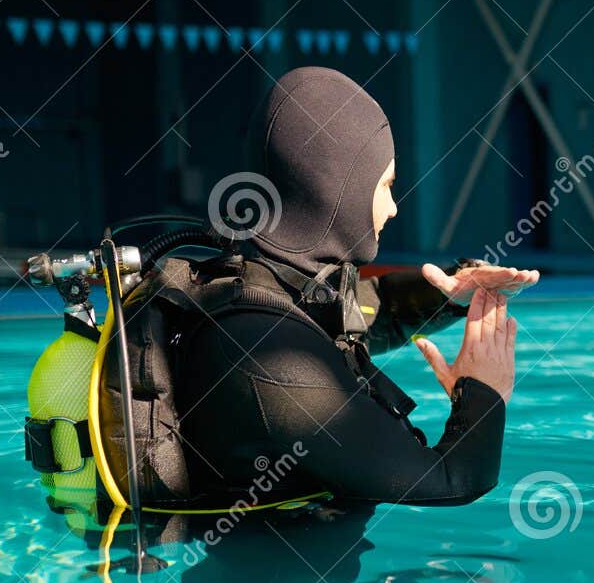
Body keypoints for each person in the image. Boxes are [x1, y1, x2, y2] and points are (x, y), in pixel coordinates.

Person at [171, 66, 540, 506]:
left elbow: (360, 312)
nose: (394, 208)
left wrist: (450, 293)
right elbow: (449, 481)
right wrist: (484, 393)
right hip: (260, 551)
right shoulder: (274, 360)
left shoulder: (257, 287)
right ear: (336, 189)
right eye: (385, 185)